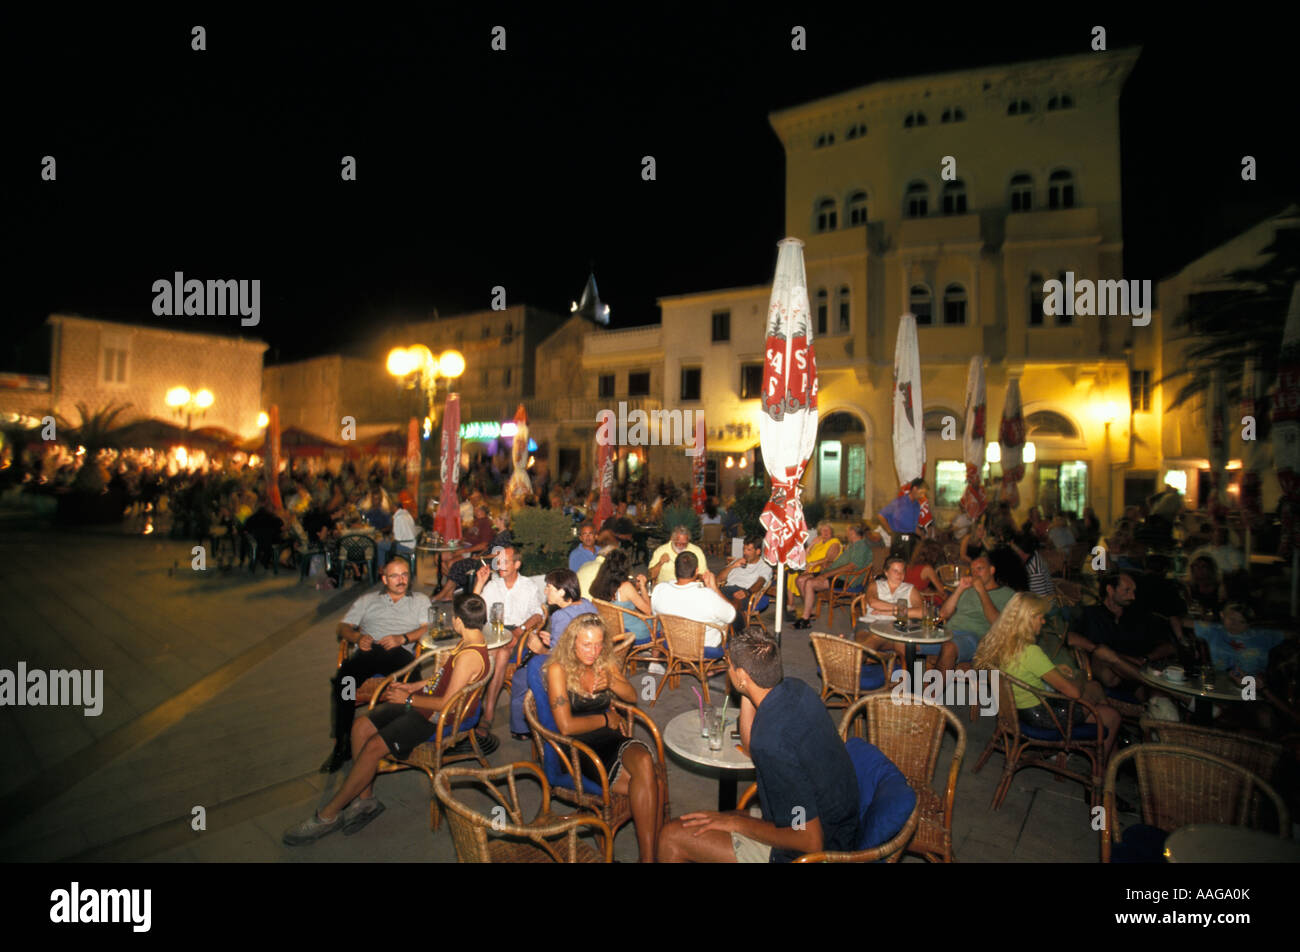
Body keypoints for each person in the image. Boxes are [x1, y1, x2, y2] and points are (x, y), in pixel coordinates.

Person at [284, 593, 490, 845]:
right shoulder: (469, 641)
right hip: (425, 704)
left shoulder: (469, 656)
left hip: (438, 719)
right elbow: (441, 679)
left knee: (372, 747)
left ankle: (327, 815)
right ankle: (366, 800)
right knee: (360, 726)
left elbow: (447, 703)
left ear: (457, 620)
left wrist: (407, 700)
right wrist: (412, 688)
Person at [658, 626, 861, 862]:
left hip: (819, 847)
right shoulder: (797, 689)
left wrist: (736, 823)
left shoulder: (772, 743)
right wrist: (745, 690)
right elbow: (751, 743)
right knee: (713, 819)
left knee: (671, 836)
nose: (727, 670)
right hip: (835, 821)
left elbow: (809, 840)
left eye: (729, 665)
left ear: (742, 674)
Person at [544, 614, 666, 862]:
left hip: (610, 739)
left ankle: (648, 858)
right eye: (586, 644)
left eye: (599, 644)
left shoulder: (603, 663)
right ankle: (651, 857)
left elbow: (632, 697)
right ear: (572, 643)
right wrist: (605, 719)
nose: (593, 651)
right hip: (579, 747)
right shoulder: (559, 670)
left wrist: (612, 681)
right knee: (656, 784)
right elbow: (566, 726)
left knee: (644, 761)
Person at [973, 593, 1122, 761]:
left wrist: (1053, 669)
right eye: (1040, 618)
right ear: (1028, 619)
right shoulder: (1030, 651)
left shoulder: (1000, 643)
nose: (1043, 622)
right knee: (1094, 687)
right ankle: (1103, 769)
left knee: (1110, 715)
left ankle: (1106, 765)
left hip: (1015, 712)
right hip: (1042, 718)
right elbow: (1074, 693)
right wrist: (1080, 677)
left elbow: (1021, 670)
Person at [320, 558, 433, 773]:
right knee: (345, 682)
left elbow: (428, 627)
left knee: (411, 681)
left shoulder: (420, 600)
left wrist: (404, 638)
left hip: (399, 651)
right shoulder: (367, 600)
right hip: (369, 650)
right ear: (384, 579)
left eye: (404, 575)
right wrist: (356, 638)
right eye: (394, 576)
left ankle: (399, 738)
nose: (401, 580)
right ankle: (342, 744)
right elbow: (342, 626)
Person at [508, 568, 594, 741]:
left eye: (549, 587)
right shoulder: (586, 604)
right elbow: (575, 639)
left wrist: (541, 649)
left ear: (562, 591)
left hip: (569, 671)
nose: (545, 591)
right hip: (588, 661)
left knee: (519, 678)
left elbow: (558, 659)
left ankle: (522, 728)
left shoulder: (560, 616)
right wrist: (553, 640)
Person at [473, 545, 544, 748]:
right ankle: (477, 709)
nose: (499, 565)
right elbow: (473, 609)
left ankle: (487, 714)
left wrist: (520, 630)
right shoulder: (493, 586)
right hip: (494, 632)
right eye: (498, 561)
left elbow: (538, 613)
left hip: (518, 633)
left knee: (501, 652)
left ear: (517, 564)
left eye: (504, 561)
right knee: (499, 651)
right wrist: (479, 583)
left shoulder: (528, 586)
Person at [1065, 572, 1171, 690]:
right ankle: (1161, 688)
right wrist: (1099, 650)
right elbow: (1069, 637)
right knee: (1103, 655)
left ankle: (1156, 688)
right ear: (1110, 590)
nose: (1132, 597)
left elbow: (1168, 646)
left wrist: (1145, 658)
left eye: (1133, 592)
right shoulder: (1089, 614)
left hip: (1135, 673)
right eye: (1127, 591)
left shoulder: (1138, 617)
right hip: (1105, 674)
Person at [934, 551, 1015, 673]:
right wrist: (960, 589)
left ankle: (931, 692)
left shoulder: (1007, 594)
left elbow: (997, 623)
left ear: (992, 570)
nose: (975, 573)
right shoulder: (967, 590)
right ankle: (907, 689)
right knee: (904, 643)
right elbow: (943, 614)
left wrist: (982, 591)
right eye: (973, 570)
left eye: (980, 569)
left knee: (949, 647)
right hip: (947, 633)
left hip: (974, 638)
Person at [649, 551, 735, 649]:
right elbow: (731, 616)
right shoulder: (708, 596)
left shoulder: (660, 590)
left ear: (675, 569)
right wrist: (715, 589)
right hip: (704, 649)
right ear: (697, 570)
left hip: (673, 645)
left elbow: (655, 615)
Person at [792, 524, 870, 628]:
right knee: (800, 579)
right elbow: (841, 562)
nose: (846, 535)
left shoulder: (861, 547)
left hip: (846, 578)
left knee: (809, 583)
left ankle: (805, 619)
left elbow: (851, 566)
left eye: (848, 533)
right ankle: (810, 609)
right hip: (834, 572)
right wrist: (828, 567)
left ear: (853, 534)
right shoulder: (853, 545)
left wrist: (826, 574)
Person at [855, 555, 924, 655]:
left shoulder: (910, 589)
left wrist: (887, 612)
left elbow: (921, 612)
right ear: (886, 572)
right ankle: (855, 660)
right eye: (895, 571)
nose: (900, 574)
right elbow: (873, 602)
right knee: (865, 642)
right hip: (869, 623)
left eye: (902, 571)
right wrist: (900, 609)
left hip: (895, 628)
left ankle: (850, 662)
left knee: (872, 640)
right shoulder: (875, 585)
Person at [589, 549, 653, 647]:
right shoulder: (625, 587)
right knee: (661, 624)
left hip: (613, 631)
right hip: (632, 634)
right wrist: (643, 587)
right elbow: (648, 611)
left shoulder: (599, 584)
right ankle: (655, 657)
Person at [717, 534, 775, 626]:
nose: (745, 552)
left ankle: (733, 631)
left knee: (735, 602)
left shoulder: (764, 567)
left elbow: (760, 583)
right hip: (727, 589)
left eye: (749, 550)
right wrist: (733, 566)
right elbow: (719, 579)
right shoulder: (737, 562)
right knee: (711, 596)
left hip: (745, 593)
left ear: (758, 551)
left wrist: (747, 592)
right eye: (744, 549)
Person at [788, 521, 842, 604]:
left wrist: (812, 564)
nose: (825, 532)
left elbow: (829, 558)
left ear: (832, 531)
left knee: (793, 573)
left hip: (820, 568)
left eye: (827, 530)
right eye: (823, 530)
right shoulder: (819, 542)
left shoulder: (834, 542)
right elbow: (804, 556)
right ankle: (793, 603)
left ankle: (799, 603)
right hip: (808, 566)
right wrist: (811, 545)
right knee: (789, 570)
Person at [877, 478, 925, 560]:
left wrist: (923, 537)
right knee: (898, 562)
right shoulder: (900, 502)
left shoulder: (916, 505)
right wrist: (890, 531)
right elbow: (881, 515)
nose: (923, 495)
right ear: (914, 489)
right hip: (899, 539)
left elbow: (913, 525)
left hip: (911, 539)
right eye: (922, 492)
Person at [377, 491, 418, 569]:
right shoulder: (406, 514)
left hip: (405, 546)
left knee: (380, 545)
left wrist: (387, 540)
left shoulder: (397, 518)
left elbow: (397, 539)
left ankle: (381, 568)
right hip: (412, 544)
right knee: (385, 543)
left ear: (394, 506)